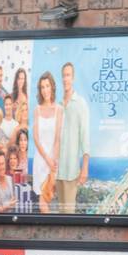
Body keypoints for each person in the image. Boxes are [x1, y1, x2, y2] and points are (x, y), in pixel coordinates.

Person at [56, 62, 91, 213]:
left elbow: (85, 136)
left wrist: (85, 167)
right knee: (59, 214)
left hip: (71, 171)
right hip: (57, 170)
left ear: (73, 77)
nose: (65, 79)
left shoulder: (81, 103)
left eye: (68, 75)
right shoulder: (57, 105)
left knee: (69, 215)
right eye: (64, 75)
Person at [32, 72, 62, 214]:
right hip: (40, 161)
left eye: (47, 86)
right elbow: (36, 139)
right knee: (42, 202)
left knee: (48, 200)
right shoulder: (37, 110)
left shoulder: (59, 110)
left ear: (52, 87)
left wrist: (53, 162)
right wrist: (47, 159)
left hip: (53, 162)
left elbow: (57, 138)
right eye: (42, 87)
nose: (45, 90)